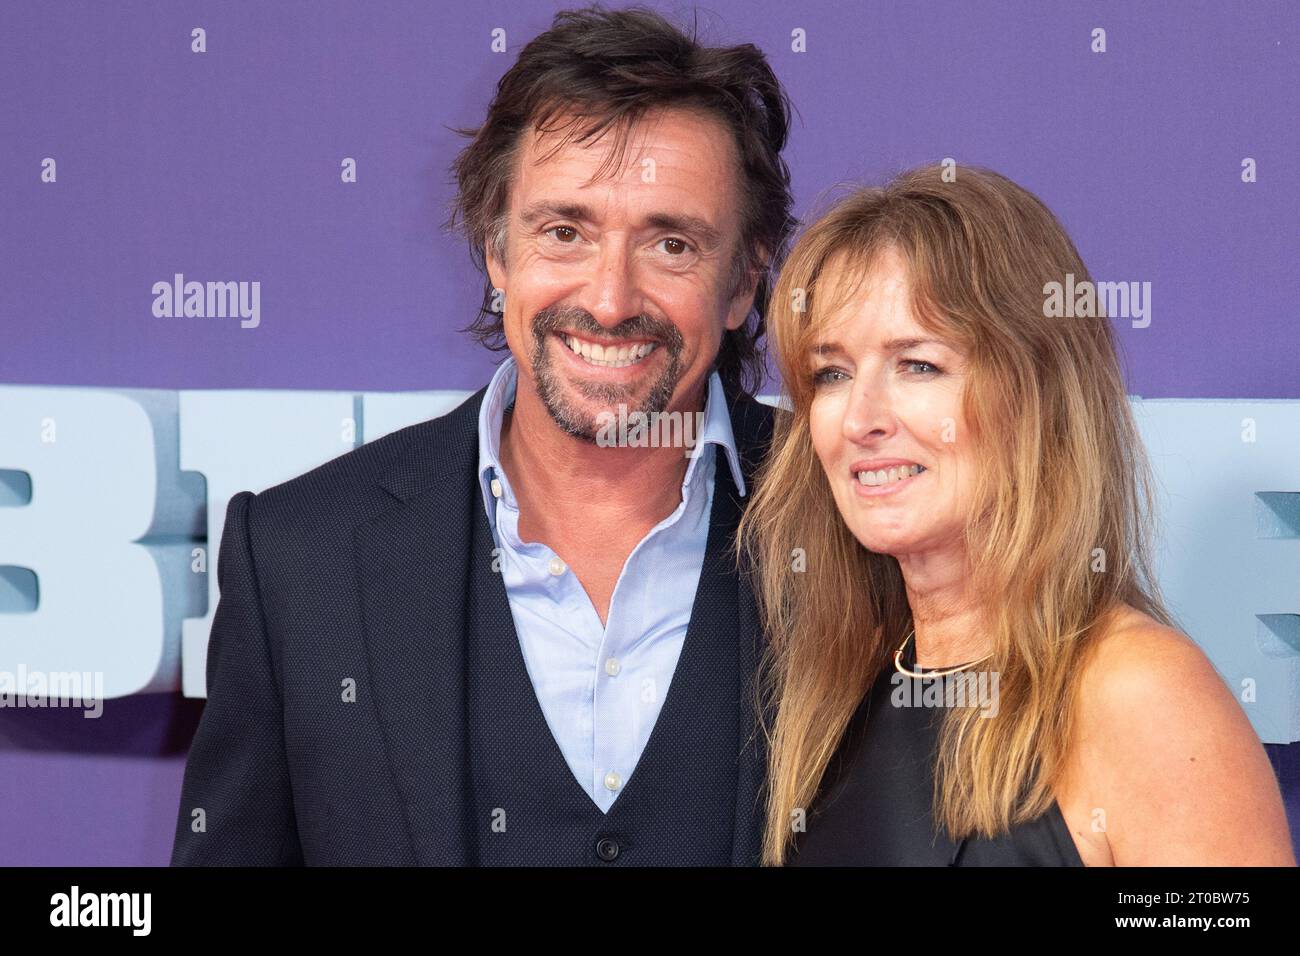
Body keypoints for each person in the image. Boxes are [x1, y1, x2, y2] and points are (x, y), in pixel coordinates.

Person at [171, 5, 795, 866]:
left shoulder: (855, 523)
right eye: (565, 232)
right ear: (497, 253)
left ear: (742, 284)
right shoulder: (298, 559)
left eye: (672, 243)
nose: (610, 300)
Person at [739, 165, 1296, 866]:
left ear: (1037, 394)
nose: (860, 419)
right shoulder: (837, 698)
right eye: (832, 373)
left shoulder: (1142, 698)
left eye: (917, 365)